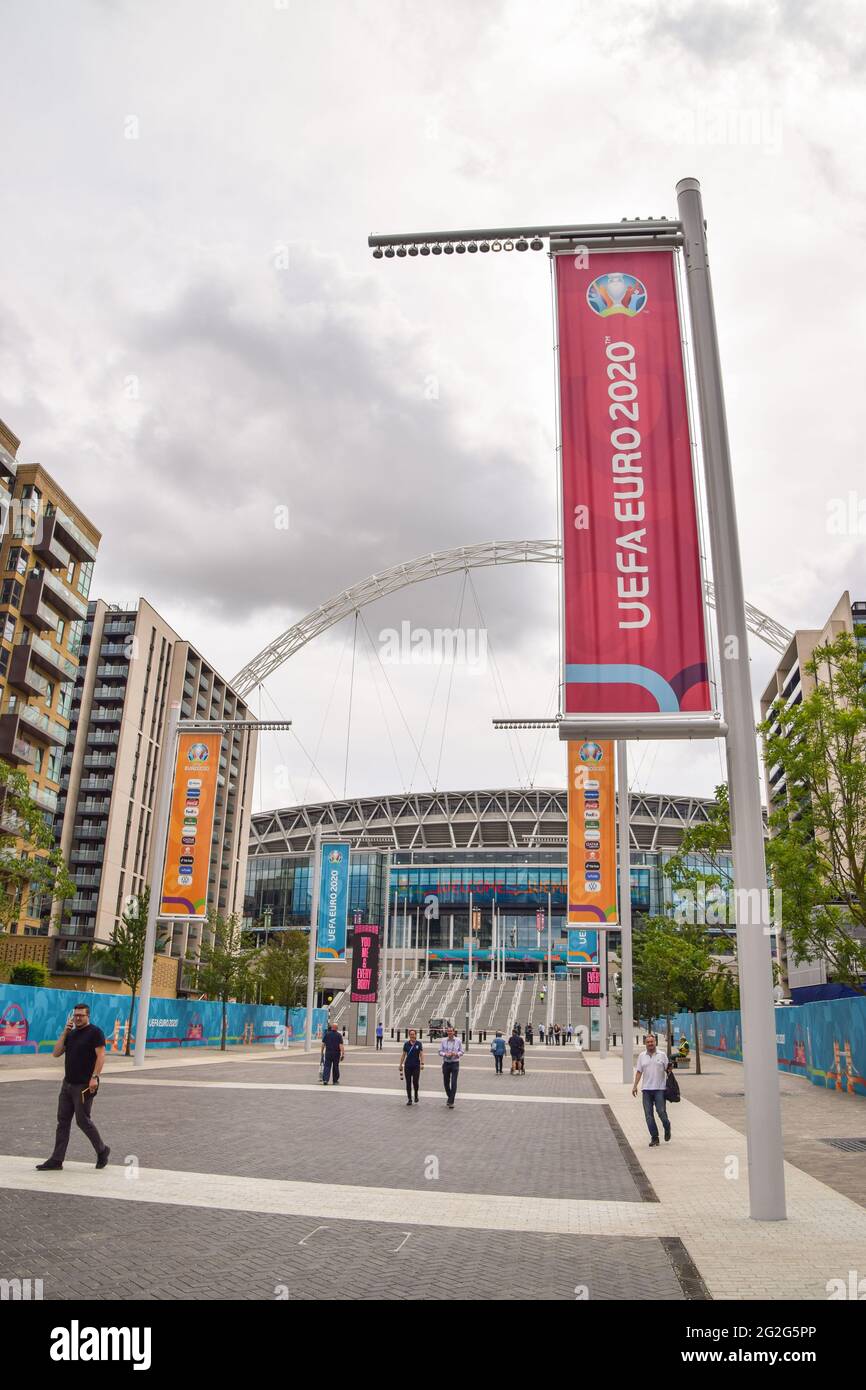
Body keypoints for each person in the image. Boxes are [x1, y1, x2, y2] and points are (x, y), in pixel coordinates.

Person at [36, 1002, 110, 1171]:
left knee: (82, 1121)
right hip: (67, 1084)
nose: (77, 1018)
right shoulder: (71, 1034)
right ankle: (57, 1159)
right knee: (62, 1122)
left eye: (81, 1015)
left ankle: (102, 1150)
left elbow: (101, 1056)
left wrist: (95, 1078)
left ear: (88, 1016)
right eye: (75, 1015)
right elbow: (55, 1053)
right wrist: (65, 1032)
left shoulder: (95, 1033)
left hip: (84, 1085)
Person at [632, 1033, 671, 1147]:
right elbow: (639, 1071)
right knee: (648, 1115)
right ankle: (655, 1137)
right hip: (646, 1090)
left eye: (652, 1042)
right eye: (648, 1042)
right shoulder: (642, 1056)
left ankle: (667, 1126)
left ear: (655, 1043)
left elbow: (668, 1070)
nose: (650, 1044)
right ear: (645, 1044)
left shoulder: (662, 1055)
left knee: (661, 1112)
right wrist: (635, 1086)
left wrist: (670, 1074)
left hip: (660, 1089)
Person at [438, 1026, 464, 1108]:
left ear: (454, 1032)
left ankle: (451, 1101)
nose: (449, 1033)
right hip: (446, 1063)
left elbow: (462, 1051)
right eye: (448, 1031)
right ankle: (450, 1097)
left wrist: (456, 1054)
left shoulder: (458, 1041)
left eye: (451, 1031)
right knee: (446, 1082)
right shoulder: (443, 1040)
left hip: (455, 1063)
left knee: (453, 1082)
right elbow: (439, 1051)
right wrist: (445, 1054)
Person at [400, 1029, 424, 1103]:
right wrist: (400, 1064)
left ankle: (416, 1095)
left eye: (413, 1034)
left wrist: (422, 1063)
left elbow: (421, 1054)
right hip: (408, 1066)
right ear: (409, 1035)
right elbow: (403, 1055)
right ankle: (409, 1099)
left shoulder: (419, 1044)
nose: (412, 1036)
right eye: (411, 1034)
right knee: (408, 1082)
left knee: (415, 1082)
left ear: (415, 1035)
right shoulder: (406, 1044)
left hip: (416, 1065)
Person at [320, 1021, 345, 1085]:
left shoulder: (327, 1034)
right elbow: (341, 1045)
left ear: (332, 1028)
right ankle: (335, 1080)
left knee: (327, 1066)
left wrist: (322, 1052)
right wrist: (343, 1054)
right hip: (336, 1054)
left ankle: (325, 1080)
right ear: (336, 1028)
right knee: (335, 1067)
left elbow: (323, 1044)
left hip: (328, 1053)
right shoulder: (339, 1035)